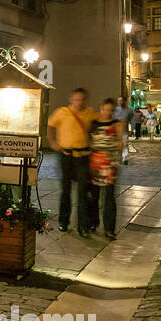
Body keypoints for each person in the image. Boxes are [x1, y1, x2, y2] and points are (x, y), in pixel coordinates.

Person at [46, 88, 96, 237]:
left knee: (82, 191)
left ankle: (83, 226)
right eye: (76, 99)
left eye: (81, 99)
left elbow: (101, 123)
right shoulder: (62, 112)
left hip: (83, 156)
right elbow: (50, 125)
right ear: (71, 99)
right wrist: (52, 142)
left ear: (85, 100)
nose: (78, 102)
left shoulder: (90, 113)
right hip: (66, 156)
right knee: (66, 190)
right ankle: (63, 221)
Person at [87, 98, 122, 240]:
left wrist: (116, 155)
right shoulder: (94, 124)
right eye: (105, 109)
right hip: (95, 163)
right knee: (93, 196)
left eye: (109, 110)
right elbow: (88, 141)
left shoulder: (117, 124)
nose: (107, 112)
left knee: (109, 197)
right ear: (101, 108)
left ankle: (109, 228)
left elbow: (120, 143)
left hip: (109, 164)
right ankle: (92, 223)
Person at [112, 97, 133, 165]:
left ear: (124, 101)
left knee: (125, 144)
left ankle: (125, 158)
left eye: (121, 100)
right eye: (119, 101)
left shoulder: (129, 110)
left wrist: (132, 129)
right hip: (116, 131)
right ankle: (118, 158)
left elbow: (131, 120)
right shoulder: (114, 110)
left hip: (124, 130)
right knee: (117, 145)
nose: (120, 102)